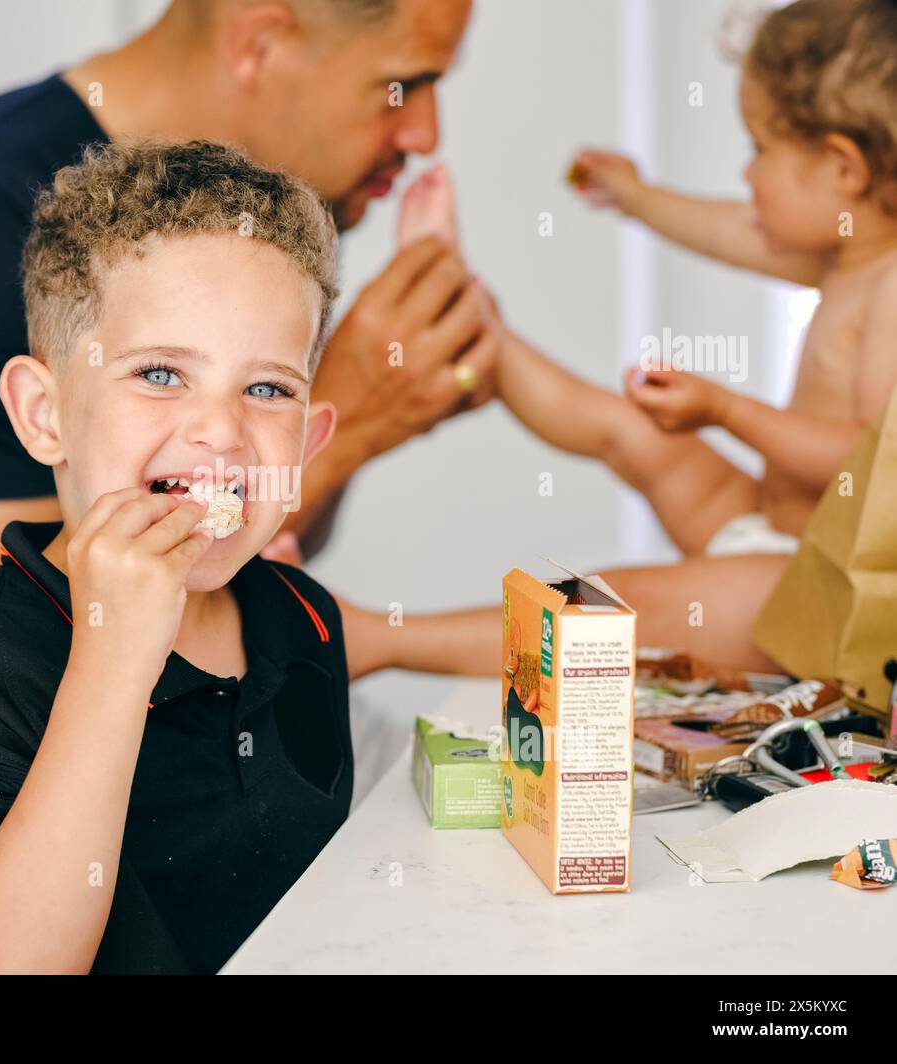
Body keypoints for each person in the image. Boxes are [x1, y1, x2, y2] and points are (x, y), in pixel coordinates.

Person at [0, 0, 491, 763]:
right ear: (261, 41)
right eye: (402, 84)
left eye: (269, 390)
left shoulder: (258, 244)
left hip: (240, 736)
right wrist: (355, 418)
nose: (425, 134)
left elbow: (245, 555)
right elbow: (22, 671)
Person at [0, 140, 386, 974]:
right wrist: (116, 651)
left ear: (308, 443)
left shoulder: (302, 621)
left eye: (268, 389)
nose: (222, 430)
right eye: (161, 373)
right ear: (44, 415)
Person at [335, 0, 897, 674]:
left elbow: (865, 468)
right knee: (629, 430)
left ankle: (379, 640)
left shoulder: (889, 285)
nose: (747, 176)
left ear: (843, 168)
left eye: (760, 149)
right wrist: (637, 197)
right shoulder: (843, 253)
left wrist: (726, 411)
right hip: (761, 528)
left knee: (628, 604)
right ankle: (470, 323)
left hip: (817, 594)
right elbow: (729, 228)